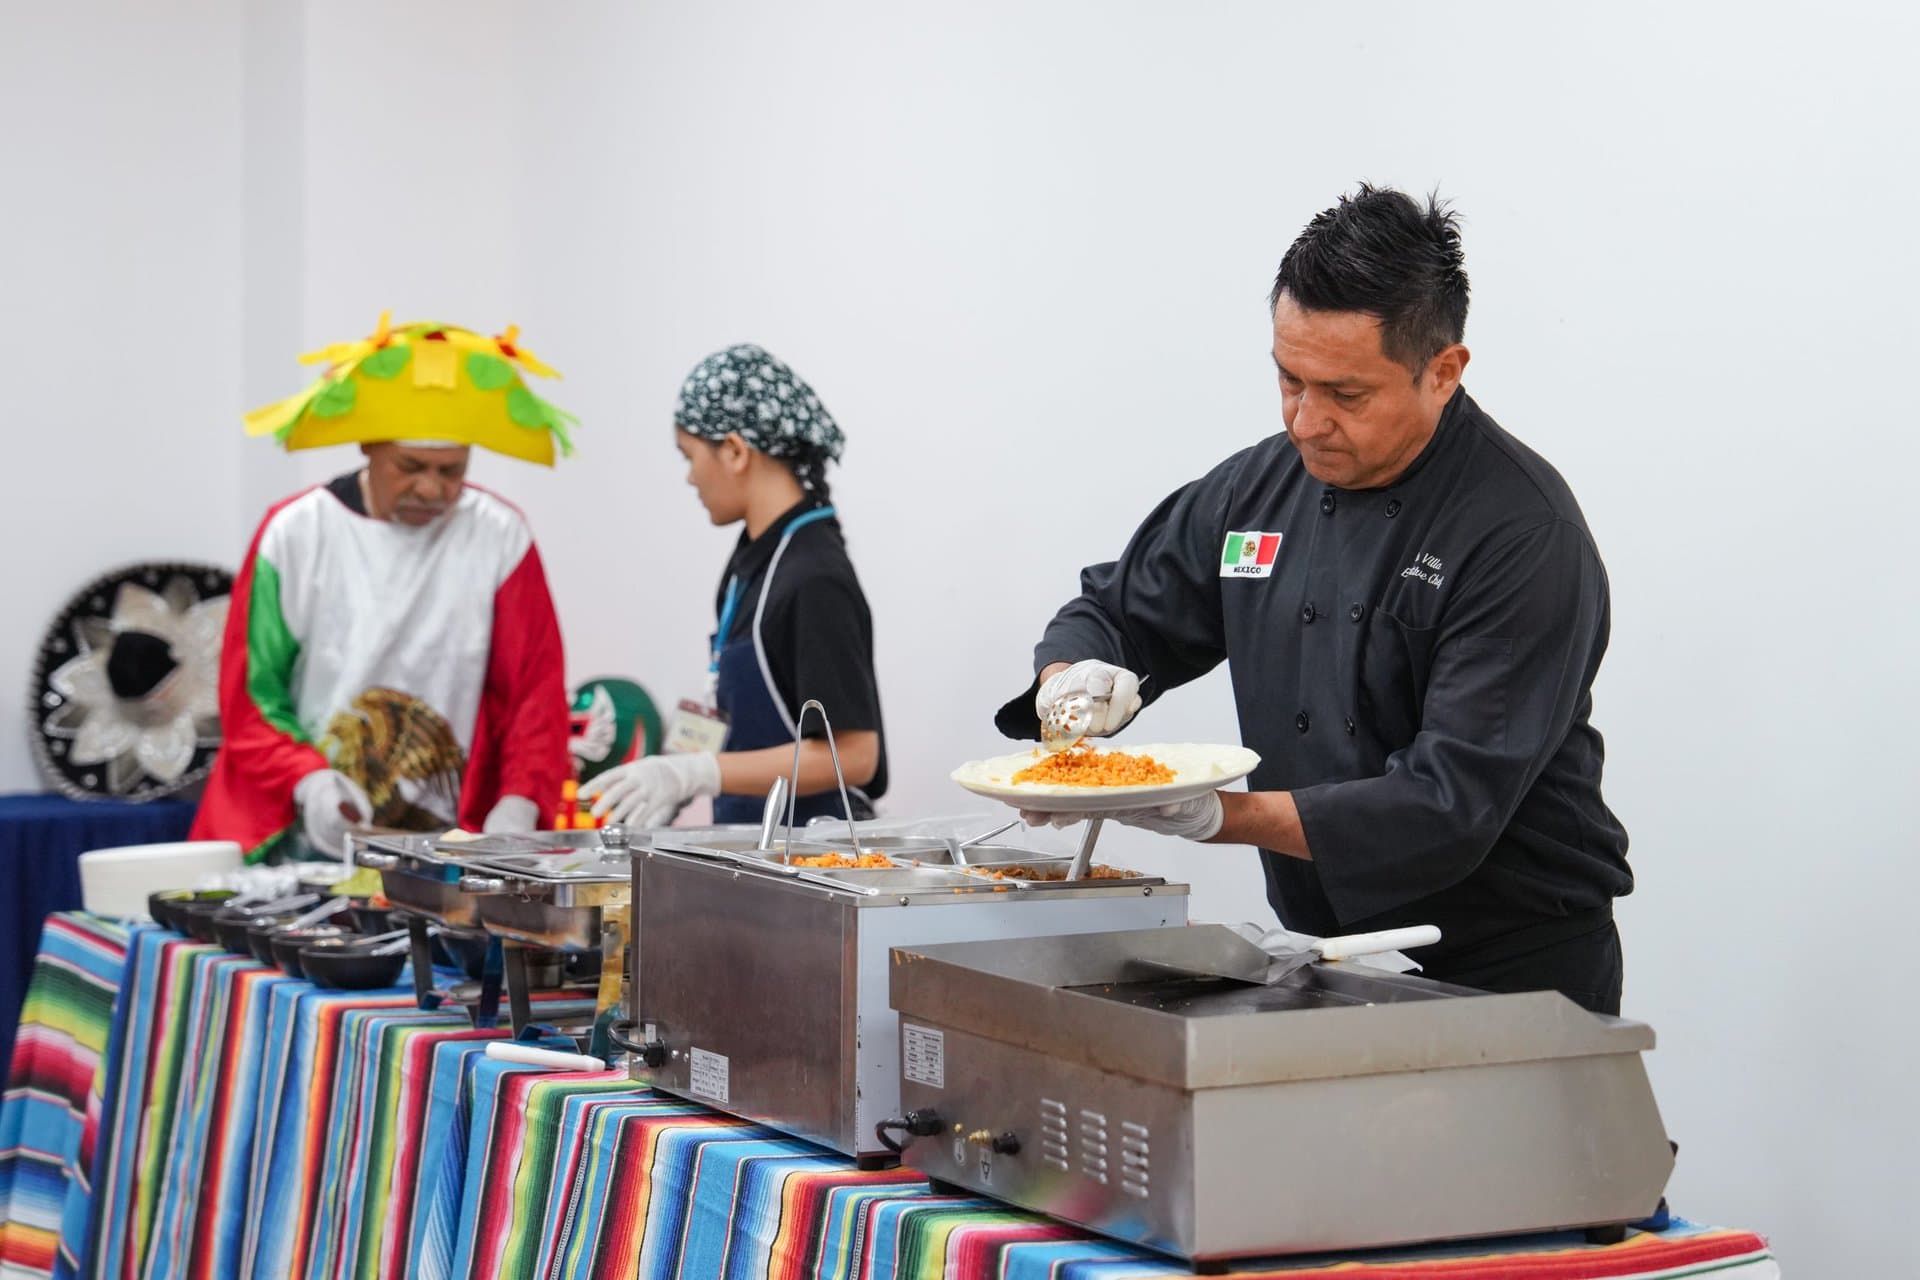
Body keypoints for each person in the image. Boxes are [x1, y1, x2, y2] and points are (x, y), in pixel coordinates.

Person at [999, 186, 1633, 1014]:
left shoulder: (1521, 533)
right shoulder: (1257, 491)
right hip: (1325, 953)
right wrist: (1070, 683)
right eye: (1288, 380)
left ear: (1444, 372)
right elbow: (1117, 610)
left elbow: (1447, 802)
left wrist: (1219, 815)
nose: (1305, 421)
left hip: (1509, 968)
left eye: (1345, 394)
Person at [191, 315, 572, 860]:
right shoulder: (296, 533)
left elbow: (534, 694)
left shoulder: (499, 537)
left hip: (453, 841)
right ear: (370, 446)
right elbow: (251, 697)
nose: (432, 488)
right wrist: (309, 782)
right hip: (295, 826)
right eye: (411, 466)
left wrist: (520, 799)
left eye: (452, 471)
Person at [582, 344, 887, 827]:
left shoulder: (815, 577)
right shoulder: (753, 558)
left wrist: (697, 773)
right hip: (749, 846)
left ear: (735, 451)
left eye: (690, 456)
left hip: (814, 857)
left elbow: (852, 756)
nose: (689, 477)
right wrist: (673, 771)